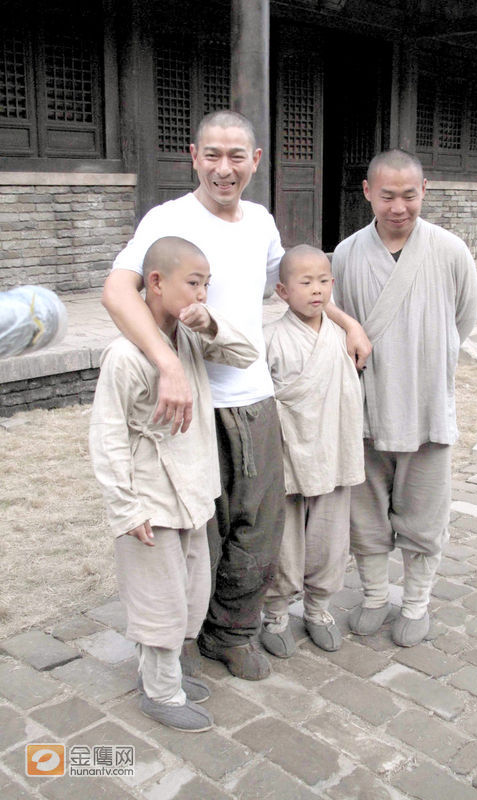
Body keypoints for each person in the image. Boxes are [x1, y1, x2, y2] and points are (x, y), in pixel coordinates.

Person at [102, 110, 370, 680]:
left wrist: (347, 322)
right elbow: (116, 292)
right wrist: (168, 363)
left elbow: (292, 283)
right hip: (193, 404)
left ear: (255, 161)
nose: (225, 169)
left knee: (259, 522)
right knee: (202, 525)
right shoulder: (167, 220)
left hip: (254, 395)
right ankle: (184, 637)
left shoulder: (261, 222)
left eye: (237, 156)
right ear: (195, 157)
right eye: (213, 155)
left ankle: (234, 632)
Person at [89, 237, 258, 731]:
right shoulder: (124, 356)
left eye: (207, 285)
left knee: (189, 590)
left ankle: (163, 676)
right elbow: (107, 435)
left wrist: (213, 323)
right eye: (194, 283)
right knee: (157, 599)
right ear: (156, 282)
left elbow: (246, 354)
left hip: (192, 490)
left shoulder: (187, 338)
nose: (202, 294)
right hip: (151, 499)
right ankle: (161, 692)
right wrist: (126, 508)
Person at [332, 149, 477, 647]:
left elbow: (464, 320)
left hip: (426, 406)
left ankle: (415, 602)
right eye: (388, 195)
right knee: (365, 512)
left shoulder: (451, 250)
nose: (399, 206)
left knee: (424, 513)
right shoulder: (347, 253)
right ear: (369, 192)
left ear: (423, 193)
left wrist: (427, 361)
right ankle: (375, 595)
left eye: (409, 195)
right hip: (369, 407)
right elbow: (339, 324)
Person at [260, 245, 364, 657]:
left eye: (323, 281)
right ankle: (276, 614)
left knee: (329, 539)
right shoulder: (269, 338)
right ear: (283, 291)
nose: (316, 290)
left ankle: (319, 608)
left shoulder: (344, 335)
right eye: (305, 283)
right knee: (283, 541)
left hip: (334, 454)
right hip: (287, 458)